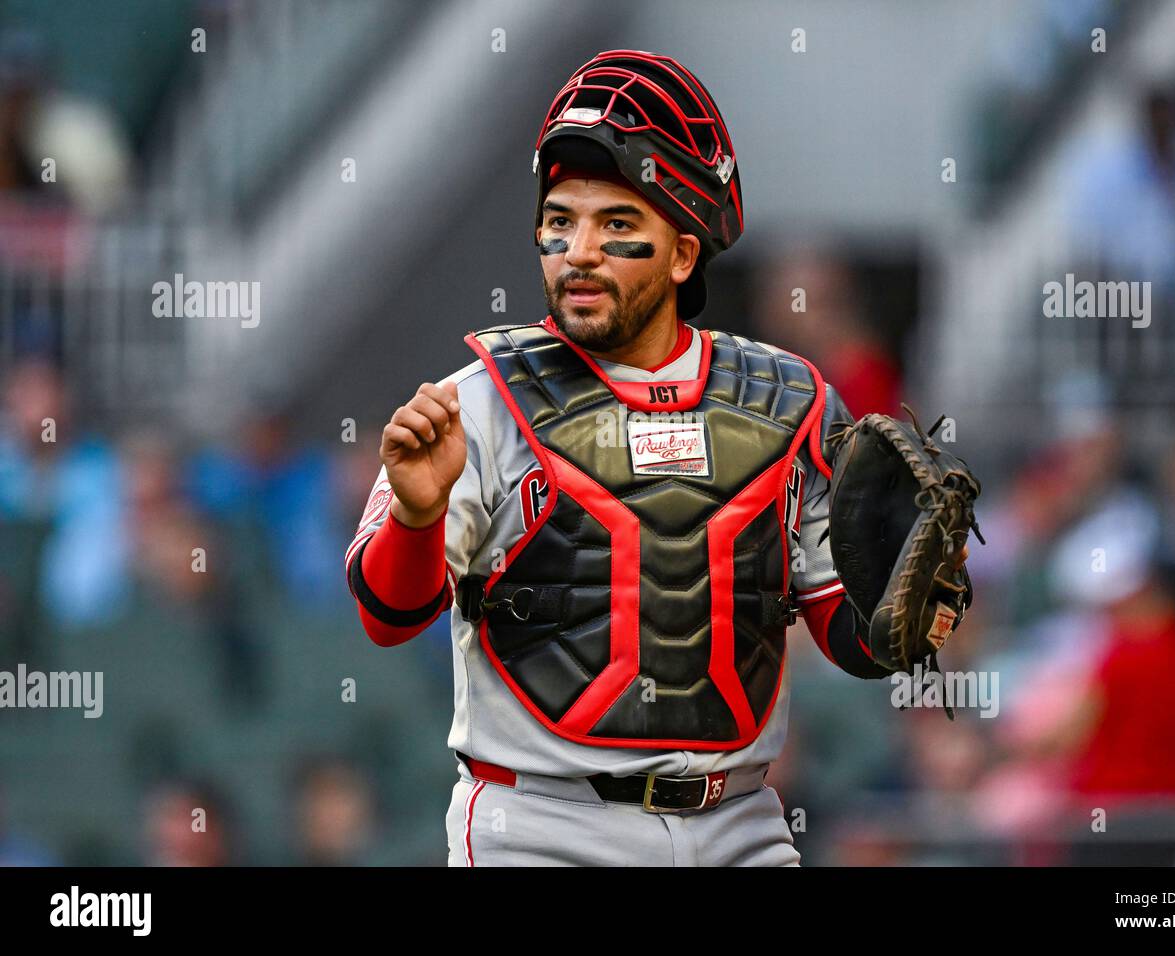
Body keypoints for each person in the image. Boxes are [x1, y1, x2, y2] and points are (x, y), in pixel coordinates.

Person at [345, 51, 969, 867]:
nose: (578, 251)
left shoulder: (789, 401)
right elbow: (386, 619)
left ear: (681, 254)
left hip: (739, 821)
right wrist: (419, 516)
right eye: (560, 221)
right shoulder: (479, 401)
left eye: (616, 227)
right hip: (541, 828)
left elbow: (851, 636)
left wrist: (919, 610)